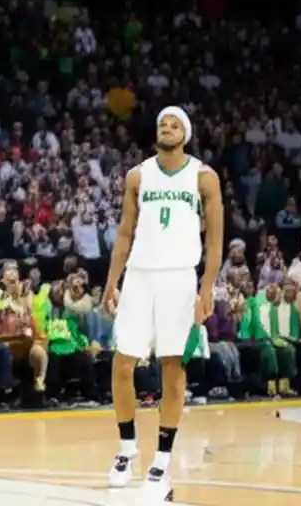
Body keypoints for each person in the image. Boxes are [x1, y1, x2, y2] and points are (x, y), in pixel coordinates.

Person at [102, 107, 222, 502]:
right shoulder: (137, 175)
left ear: (185, 134)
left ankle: (162, 460)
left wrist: (207, 288)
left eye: (174, 124)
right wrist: (111, 282)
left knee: (173, 367)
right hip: (139, 275)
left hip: (179, 278)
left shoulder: (204, 177)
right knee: (123, 365)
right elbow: (124, 233)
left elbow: (216, 242)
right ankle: (126, 448)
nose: (166, 128)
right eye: (162, 124)